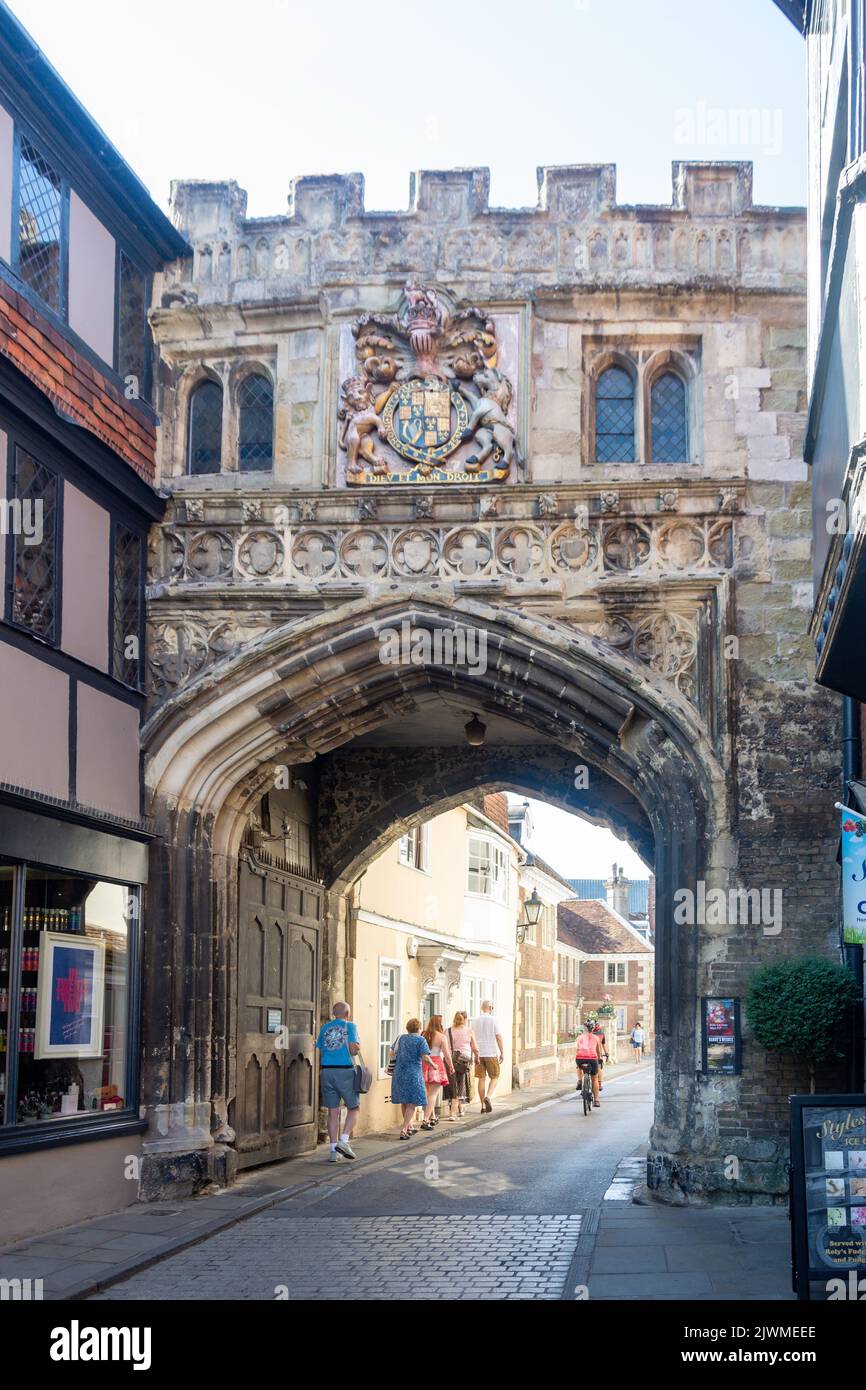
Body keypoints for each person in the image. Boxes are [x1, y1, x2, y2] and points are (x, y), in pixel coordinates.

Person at [315, 1000, 361, 1161]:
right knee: (354, 1108)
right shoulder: (350, 1027)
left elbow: (319, 1051)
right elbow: (353, 1050)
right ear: (347, 1013)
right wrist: (357, 1047)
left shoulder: (324, 1028)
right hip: (345, 1072)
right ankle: (344, 1141)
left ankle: (334, 1151)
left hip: (327, 1072)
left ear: (334, 1014)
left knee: (332, 1112)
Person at [389, 1017, 430, 1139]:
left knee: (404, 1101)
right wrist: (433, 1065)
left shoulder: (401, 1038)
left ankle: (409, 1126)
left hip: (399, 1072)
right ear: (419, 1028)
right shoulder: (421, 1039)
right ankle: (403, 1130)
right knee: (412, 1102)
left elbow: (391, 1053)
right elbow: (425, 1057)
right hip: (413, 1073)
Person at [421, 1014, 454, 1129]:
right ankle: (425, 1120)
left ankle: (432, 1116)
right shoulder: (441, 1036)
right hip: (435, 1064)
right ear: (439, 1024)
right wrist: (451, 1066)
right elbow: (447, 1054)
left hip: (424, 1065)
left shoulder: (423, 1034)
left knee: (428, 1092)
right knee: (433, 1094)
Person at [471, 999, 504, 1113]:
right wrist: (502, 1052)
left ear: (482, 1008)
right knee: (495, 1076)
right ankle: (488, 1097)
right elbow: (498, 1037)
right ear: (490, 1008)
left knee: (481, 1078)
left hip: (479, 1053)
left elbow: (472, 1038)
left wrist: (474, 1053)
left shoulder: (475, 1021)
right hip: (491, 1052)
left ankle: (482, 1106)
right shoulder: (493, 1019)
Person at [444, 1011, 477, 1119]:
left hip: (450, 1060)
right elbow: (475, 1048)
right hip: (464, 1060)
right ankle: (454, 1112)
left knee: (452, 1085)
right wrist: (477, 1057)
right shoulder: (469, 1031)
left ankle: (458, 1108)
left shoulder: (447, 1031)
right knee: (461, 1085)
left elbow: (445, 1048)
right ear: (464, 1020)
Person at [575, 1020, 605, 1108]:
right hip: (592, 1059)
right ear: (592, 1029)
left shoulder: (579, 1037)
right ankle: (596, 1100)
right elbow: (598, 1051)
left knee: (578, 1067)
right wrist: (599, 1059)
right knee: (595, 1078)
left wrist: (577, 1058)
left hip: (580, 1058)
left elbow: (577, 1049)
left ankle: (580, 1081)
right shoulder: (596, 1038)